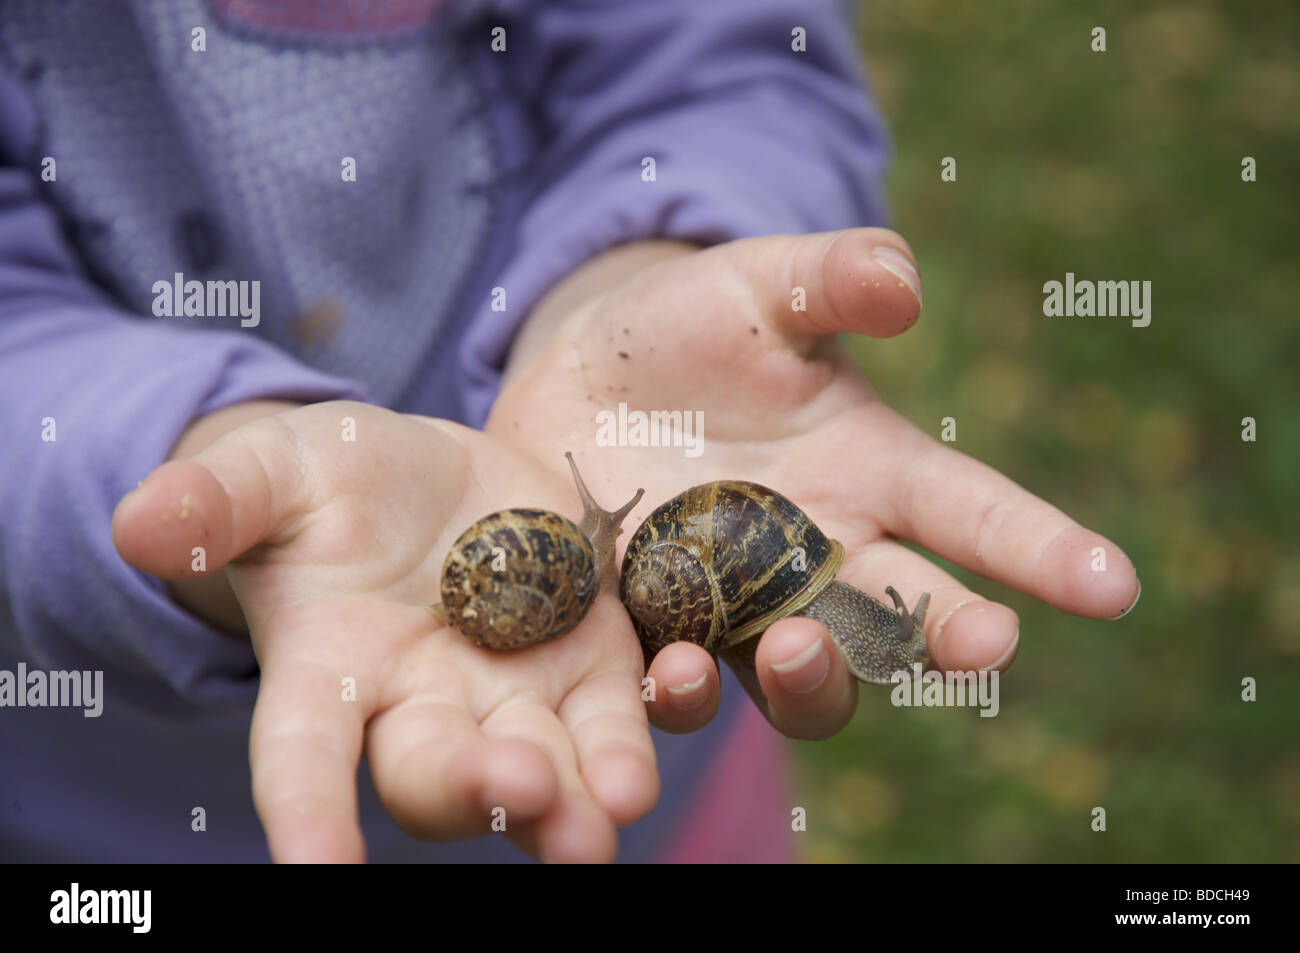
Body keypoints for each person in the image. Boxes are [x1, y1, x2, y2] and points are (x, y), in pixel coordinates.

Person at [0, 0, 1138, 863]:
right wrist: (212, 449)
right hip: (119, 821)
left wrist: (642, 274)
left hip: (661, 764)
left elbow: (725, 66)